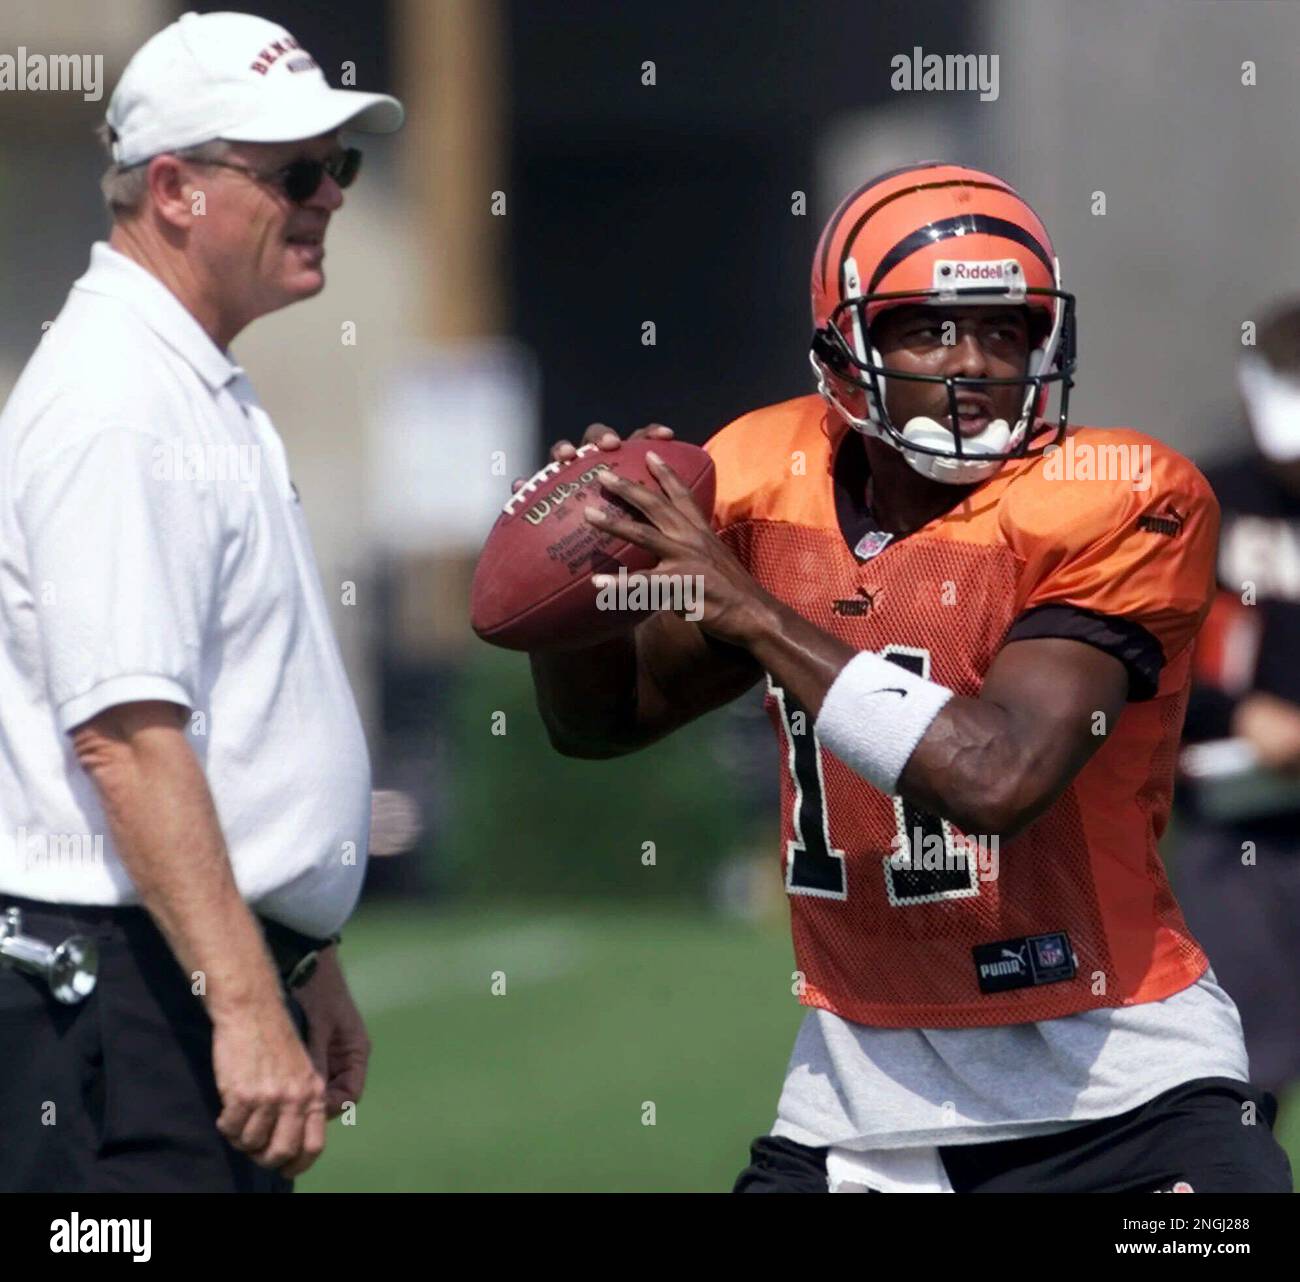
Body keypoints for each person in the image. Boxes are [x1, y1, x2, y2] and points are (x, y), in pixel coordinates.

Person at [524, 162, 1293, 1192]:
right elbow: (602, 723)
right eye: (928, 328)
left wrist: (754, 612)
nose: (972, 363)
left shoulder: (1115, 497)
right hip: (865, 1097)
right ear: (846, 342)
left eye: (1005, 330)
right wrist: (568, 586)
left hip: (1121, 1086)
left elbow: (997, 779)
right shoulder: (763, 475)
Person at [0, 11, 403, 1191]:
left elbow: (229, 716)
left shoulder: (183, 380)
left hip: (161, 977)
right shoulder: (122, 400)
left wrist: (300, 954)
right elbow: (127, 738)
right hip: (123, 1000)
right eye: (294, 172)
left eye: (341, 166)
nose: (329, 194)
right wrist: (241, 999)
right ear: (173, 188)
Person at [1176, 300, 1300, 1131]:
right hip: (1237, 833)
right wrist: (1236, 713)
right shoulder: (1205, 503)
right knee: (1242, 1070)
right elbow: (1148, 656)